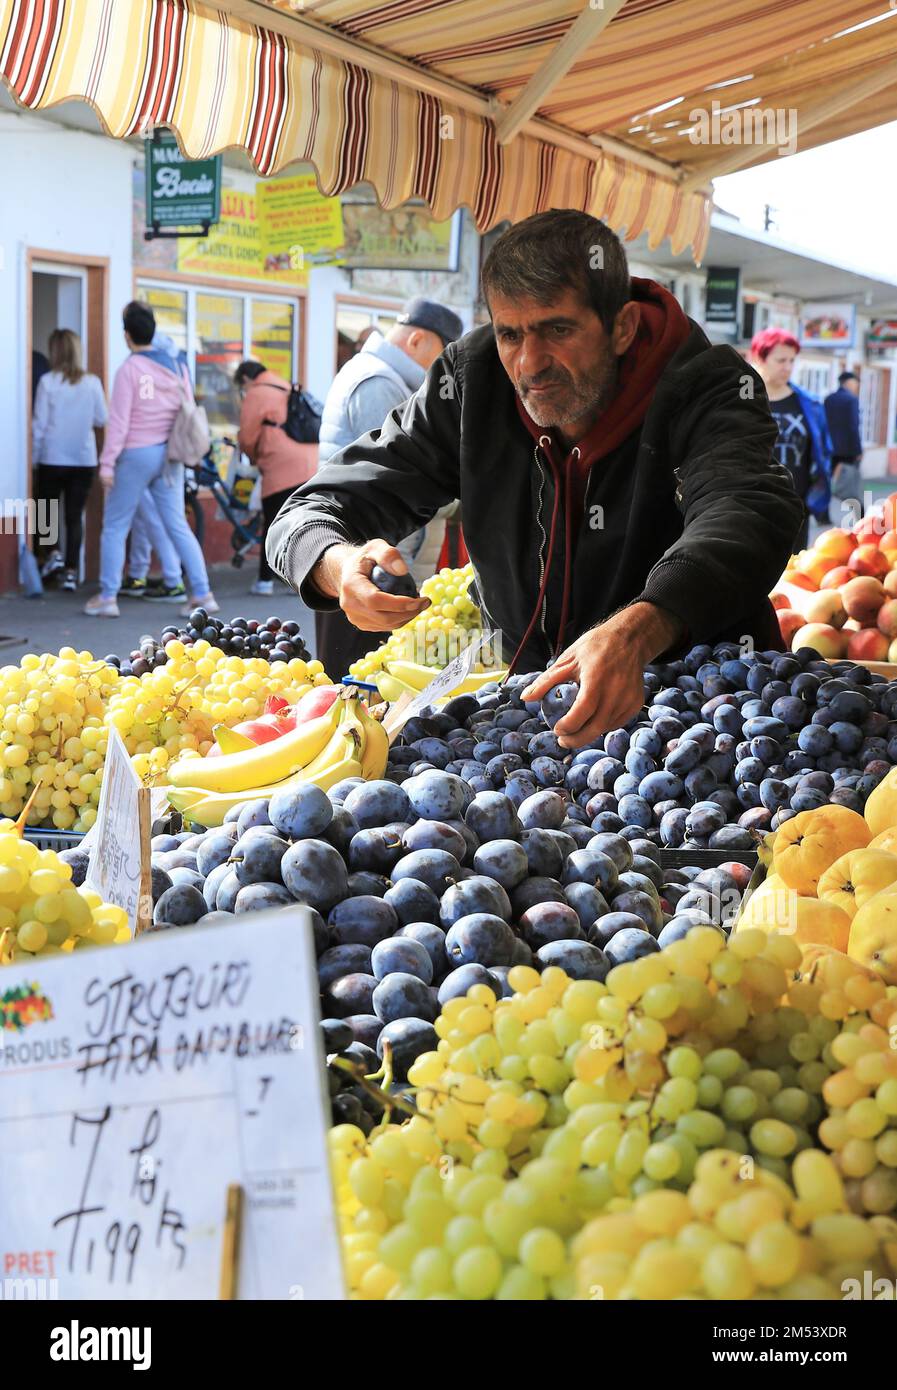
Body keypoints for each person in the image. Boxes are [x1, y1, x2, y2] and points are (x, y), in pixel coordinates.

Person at [267, 209, 802, 749]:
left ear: (622, 327)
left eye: (558, 329)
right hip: (539, 721)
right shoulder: (471, 381)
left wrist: (642, 630)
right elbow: (313, 509)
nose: (530, 363)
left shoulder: (706, 386)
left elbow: (747, 512)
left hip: (705, 722)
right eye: (510, 334)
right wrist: (336, 566)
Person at [312, 297, 464, 675]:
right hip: (369, 565)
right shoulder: (379, 384)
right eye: (442, 357)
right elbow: (396, 481)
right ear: (417, 342)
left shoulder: (376, 374)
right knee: (359, 682)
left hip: (370, 559)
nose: (441, 371)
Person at [86, 301, 217, 618]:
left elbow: (119, 423)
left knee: (115, 526)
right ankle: (202, 594)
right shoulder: (176, 366)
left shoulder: (129, 369)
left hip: (136, 454)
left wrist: (107, 464)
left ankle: (107, 597)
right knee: (177, 526)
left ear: (127, 334)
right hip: (170, 455)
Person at [234, 359, 319, 597]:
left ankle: (264, 581)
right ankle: (300, 580)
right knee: (300, 523)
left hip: (282, 465)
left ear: (245, 379)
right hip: (309, 461)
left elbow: (248, 437)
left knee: (274, 524)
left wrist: (253, 458)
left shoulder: (256, 393)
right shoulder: (285, 386)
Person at [31, 329, 108, 591]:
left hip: (52, 456)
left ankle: (52, 553)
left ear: (55, 351)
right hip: (83, 458)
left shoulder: (48, 382)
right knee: (74, 517)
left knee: (45, 510)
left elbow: (39, 425)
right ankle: (72, 572)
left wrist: (32, 459)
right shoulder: (92, 383)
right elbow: (101, 418)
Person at [750, 328, 832, 550]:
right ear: (759, 357)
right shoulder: (744, 399)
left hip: (794, 506)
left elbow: (822, 450)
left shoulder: (809, 404)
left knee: (793, 572)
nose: (787, 367)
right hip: (749, 504)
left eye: (792, 361)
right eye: (780, 360)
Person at [825, 371, 863, 515]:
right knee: (851, 482)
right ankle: (859, 514)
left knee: (827, 480)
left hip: (829, 447)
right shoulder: (851, 399)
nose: (856, 387)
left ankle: (823, 514)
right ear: (849, 383)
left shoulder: (829, 399)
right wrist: (858, 450)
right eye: (855, 384)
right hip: (848, 449)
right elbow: (853, 426)